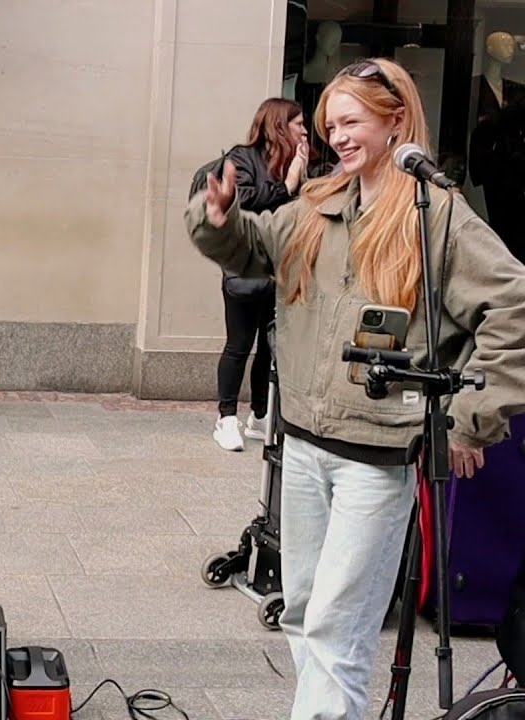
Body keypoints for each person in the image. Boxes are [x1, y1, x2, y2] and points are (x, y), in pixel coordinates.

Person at [187, 58, 525, 719]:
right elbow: (256, 249)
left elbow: (513, 305)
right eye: (330, 124)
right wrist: (220, 218)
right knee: (305, 613)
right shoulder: (319, 204)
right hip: (305, 447)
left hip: (378, 459)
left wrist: (467, 418)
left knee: (338, 629)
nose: (337, 136)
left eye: (352, 122)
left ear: (395, 119)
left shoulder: (435, 215)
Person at [212, 98, 309, 451]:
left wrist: (300, 176)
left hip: (282, 270)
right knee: (239, 344)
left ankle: (259, 414)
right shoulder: (241, 158)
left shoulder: (294, 163)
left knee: (269, 348)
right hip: (247, 267)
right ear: (280, 125)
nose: (305, 131)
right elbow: (244, 201)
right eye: (299, 124)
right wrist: (289, 183)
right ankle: (225, 418)